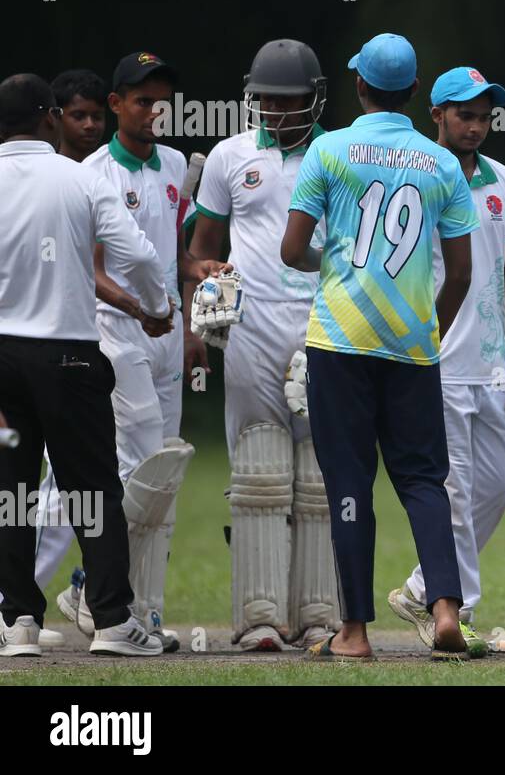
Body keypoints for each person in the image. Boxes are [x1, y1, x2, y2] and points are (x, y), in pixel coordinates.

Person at [281, 32, 477, 661]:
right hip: (411, 345)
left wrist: (328, 261)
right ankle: (445, 608)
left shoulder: (328, 150)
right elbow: (462, 271)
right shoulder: (442, 164)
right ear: (416, 91)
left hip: (340, 340)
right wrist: (430, 327)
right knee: (423, 480)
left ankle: (355, 632)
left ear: (359, 84)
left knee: (348, 481)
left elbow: (292, 249)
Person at [53, 52, 228, 652]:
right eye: (142, 101)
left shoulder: (177, 164)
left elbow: (172, 254)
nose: (154, 112)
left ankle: (142, 611)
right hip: (116, 332)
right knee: (143, 462)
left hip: (166, 329)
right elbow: (92, 270)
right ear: (116, 104)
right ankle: (95, 591)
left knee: (166, 471)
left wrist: (197, 279)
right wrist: (140, 312)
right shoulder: (93, 172)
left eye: (162, 102)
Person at [0, 73, 169, 657]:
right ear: (49, 118)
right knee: (93, 488)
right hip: (69, 354)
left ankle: (18, 621)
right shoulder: (79, 178)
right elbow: (138, 254)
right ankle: (114, 620)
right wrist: (157, 308)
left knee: (11, 490)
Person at [187, 39, 340, 651]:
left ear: (314, 98)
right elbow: (202, 248)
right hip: (251, 327)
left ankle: (319, 615)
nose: (275, 110)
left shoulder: (337, 154)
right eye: (266, 100)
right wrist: (201, 298)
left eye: (288, 100)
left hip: (324, 322)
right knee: (259, 470)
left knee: (321, 475)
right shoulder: (230, 155)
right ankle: (260, 617)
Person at [388, 66, 505, 659]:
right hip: (436, 358)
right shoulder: (416, 174)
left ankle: (423, 588)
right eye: (464, 115)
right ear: (436, 117)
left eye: (483, 117)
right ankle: (457, 610)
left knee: (498, 485)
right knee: (455, 493)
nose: (475, 127)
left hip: (494, 364)